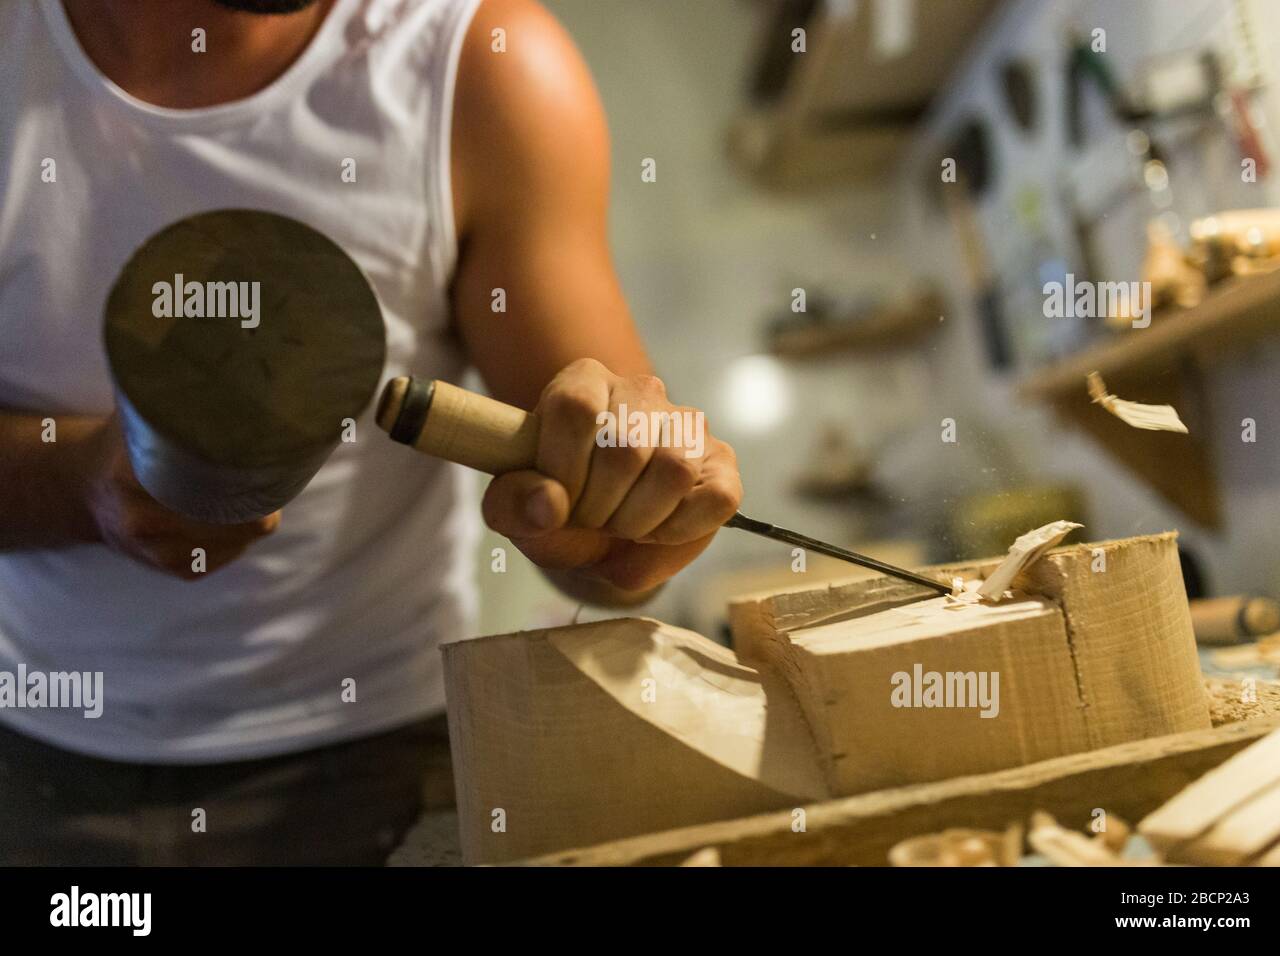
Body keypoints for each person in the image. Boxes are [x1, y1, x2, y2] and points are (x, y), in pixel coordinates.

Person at [0, 0, 741, 864]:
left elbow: (613, 536)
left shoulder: (487, 69)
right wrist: (79, 486)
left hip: (384, 751)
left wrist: (631, 520)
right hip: (39, 750)